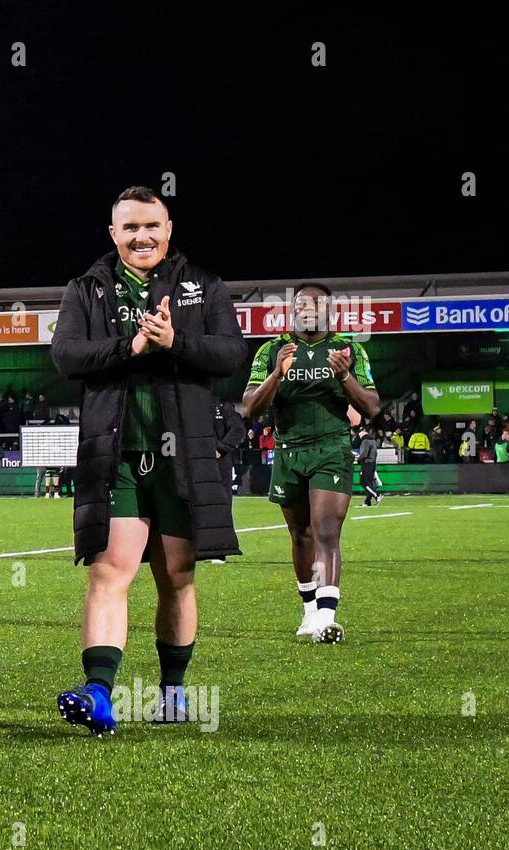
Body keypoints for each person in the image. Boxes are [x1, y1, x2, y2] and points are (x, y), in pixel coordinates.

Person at [50, 185, 245, 735]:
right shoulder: (87, 288)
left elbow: (231, 354)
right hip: (115, 457)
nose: (141, 236)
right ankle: (99, 693)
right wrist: (129, 348)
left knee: (176, 577)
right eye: (129, 227)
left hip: (185, 459)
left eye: (150, 226)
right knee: (109, 571)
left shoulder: (202, 287)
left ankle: (174, 694)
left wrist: (175, 341)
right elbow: (65, 356)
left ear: (169, 229)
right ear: (113, 234)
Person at [243, 282, 380, 643]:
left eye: (316, 305)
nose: (309, 309)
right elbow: (250, 408)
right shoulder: (272, 350)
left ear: (329, 312)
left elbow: (371, 408)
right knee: (300, 535)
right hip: (289, 451)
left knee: (325, 532)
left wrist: (345, 376)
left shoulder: (348, 350)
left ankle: (325, 616)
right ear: (293, 310)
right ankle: (308, 613)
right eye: (302, 304)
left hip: (332, 449)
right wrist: (277, 374)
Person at [356, 427, 382, 506]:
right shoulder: (373, 440)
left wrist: (358, 458)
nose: (359, 435)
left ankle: (376, 494)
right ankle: (367, 501)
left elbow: (364, 453)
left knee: (364, 482)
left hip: (367, 463)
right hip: (372, 463)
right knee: (369, 482)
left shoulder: (365, 441)